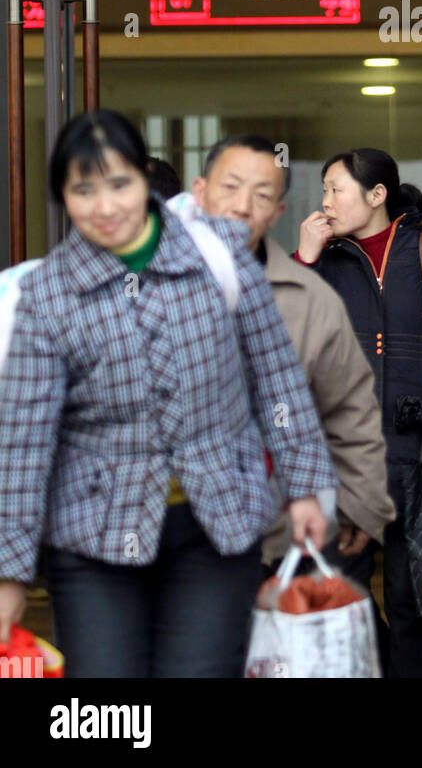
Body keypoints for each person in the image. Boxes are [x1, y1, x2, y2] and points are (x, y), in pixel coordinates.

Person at [0, 110, 336, 678]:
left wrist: (306, 486)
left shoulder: (219, 258)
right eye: (83, 190)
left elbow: (275, 378)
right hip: (94, 533)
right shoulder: (46, 295)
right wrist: (9, 572)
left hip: (216, 522)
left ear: (144, 179)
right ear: (63, 196)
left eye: (119, 184)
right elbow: (24, 442)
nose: (105, 207)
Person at [296, 147, 422, 678]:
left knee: (411, 601)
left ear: (377, 196)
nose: (325, 201)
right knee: (339, 589)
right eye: (324, 189)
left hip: (418, 450)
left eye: (336, 189)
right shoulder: (325, 259)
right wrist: (305, 257)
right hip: (344, 457)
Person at [186, 132, 395, 567]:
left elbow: (348, 409)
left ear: (277, 210)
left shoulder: (308, 295)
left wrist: (361, 503)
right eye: (230, 187)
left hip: (274, 525)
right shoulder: (140, 283)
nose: (243, 206)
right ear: (199, 192)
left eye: (261, 194)